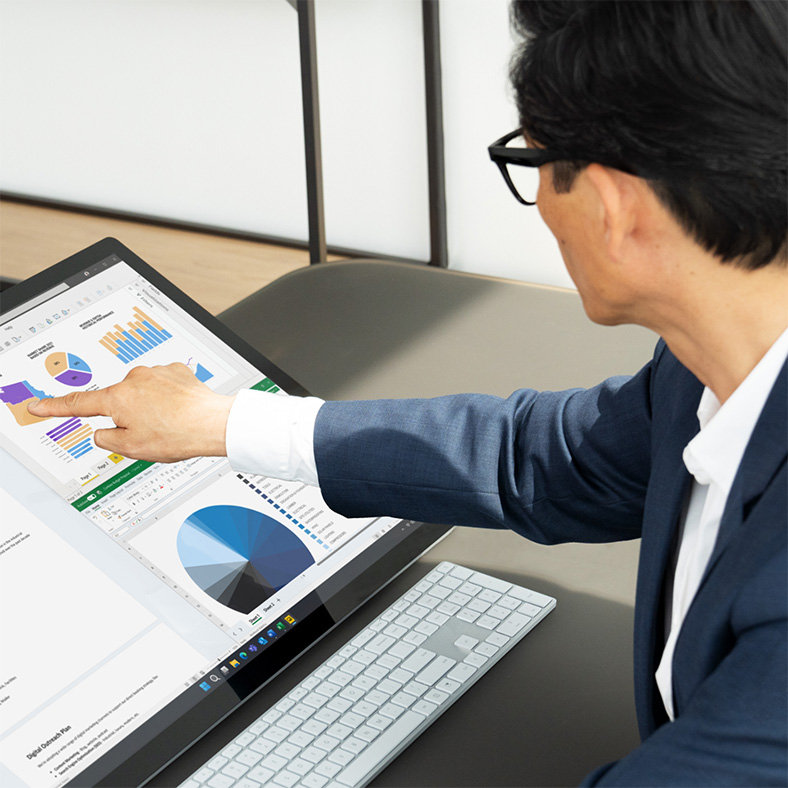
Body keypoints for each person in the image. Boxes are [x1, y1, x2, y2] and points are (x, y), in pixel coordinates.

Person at [29, 1, 787, 784]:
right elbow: (548, 461)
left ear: (613, 206)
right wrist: (221, 422)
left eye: (530, 164)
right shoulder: (713, 369)